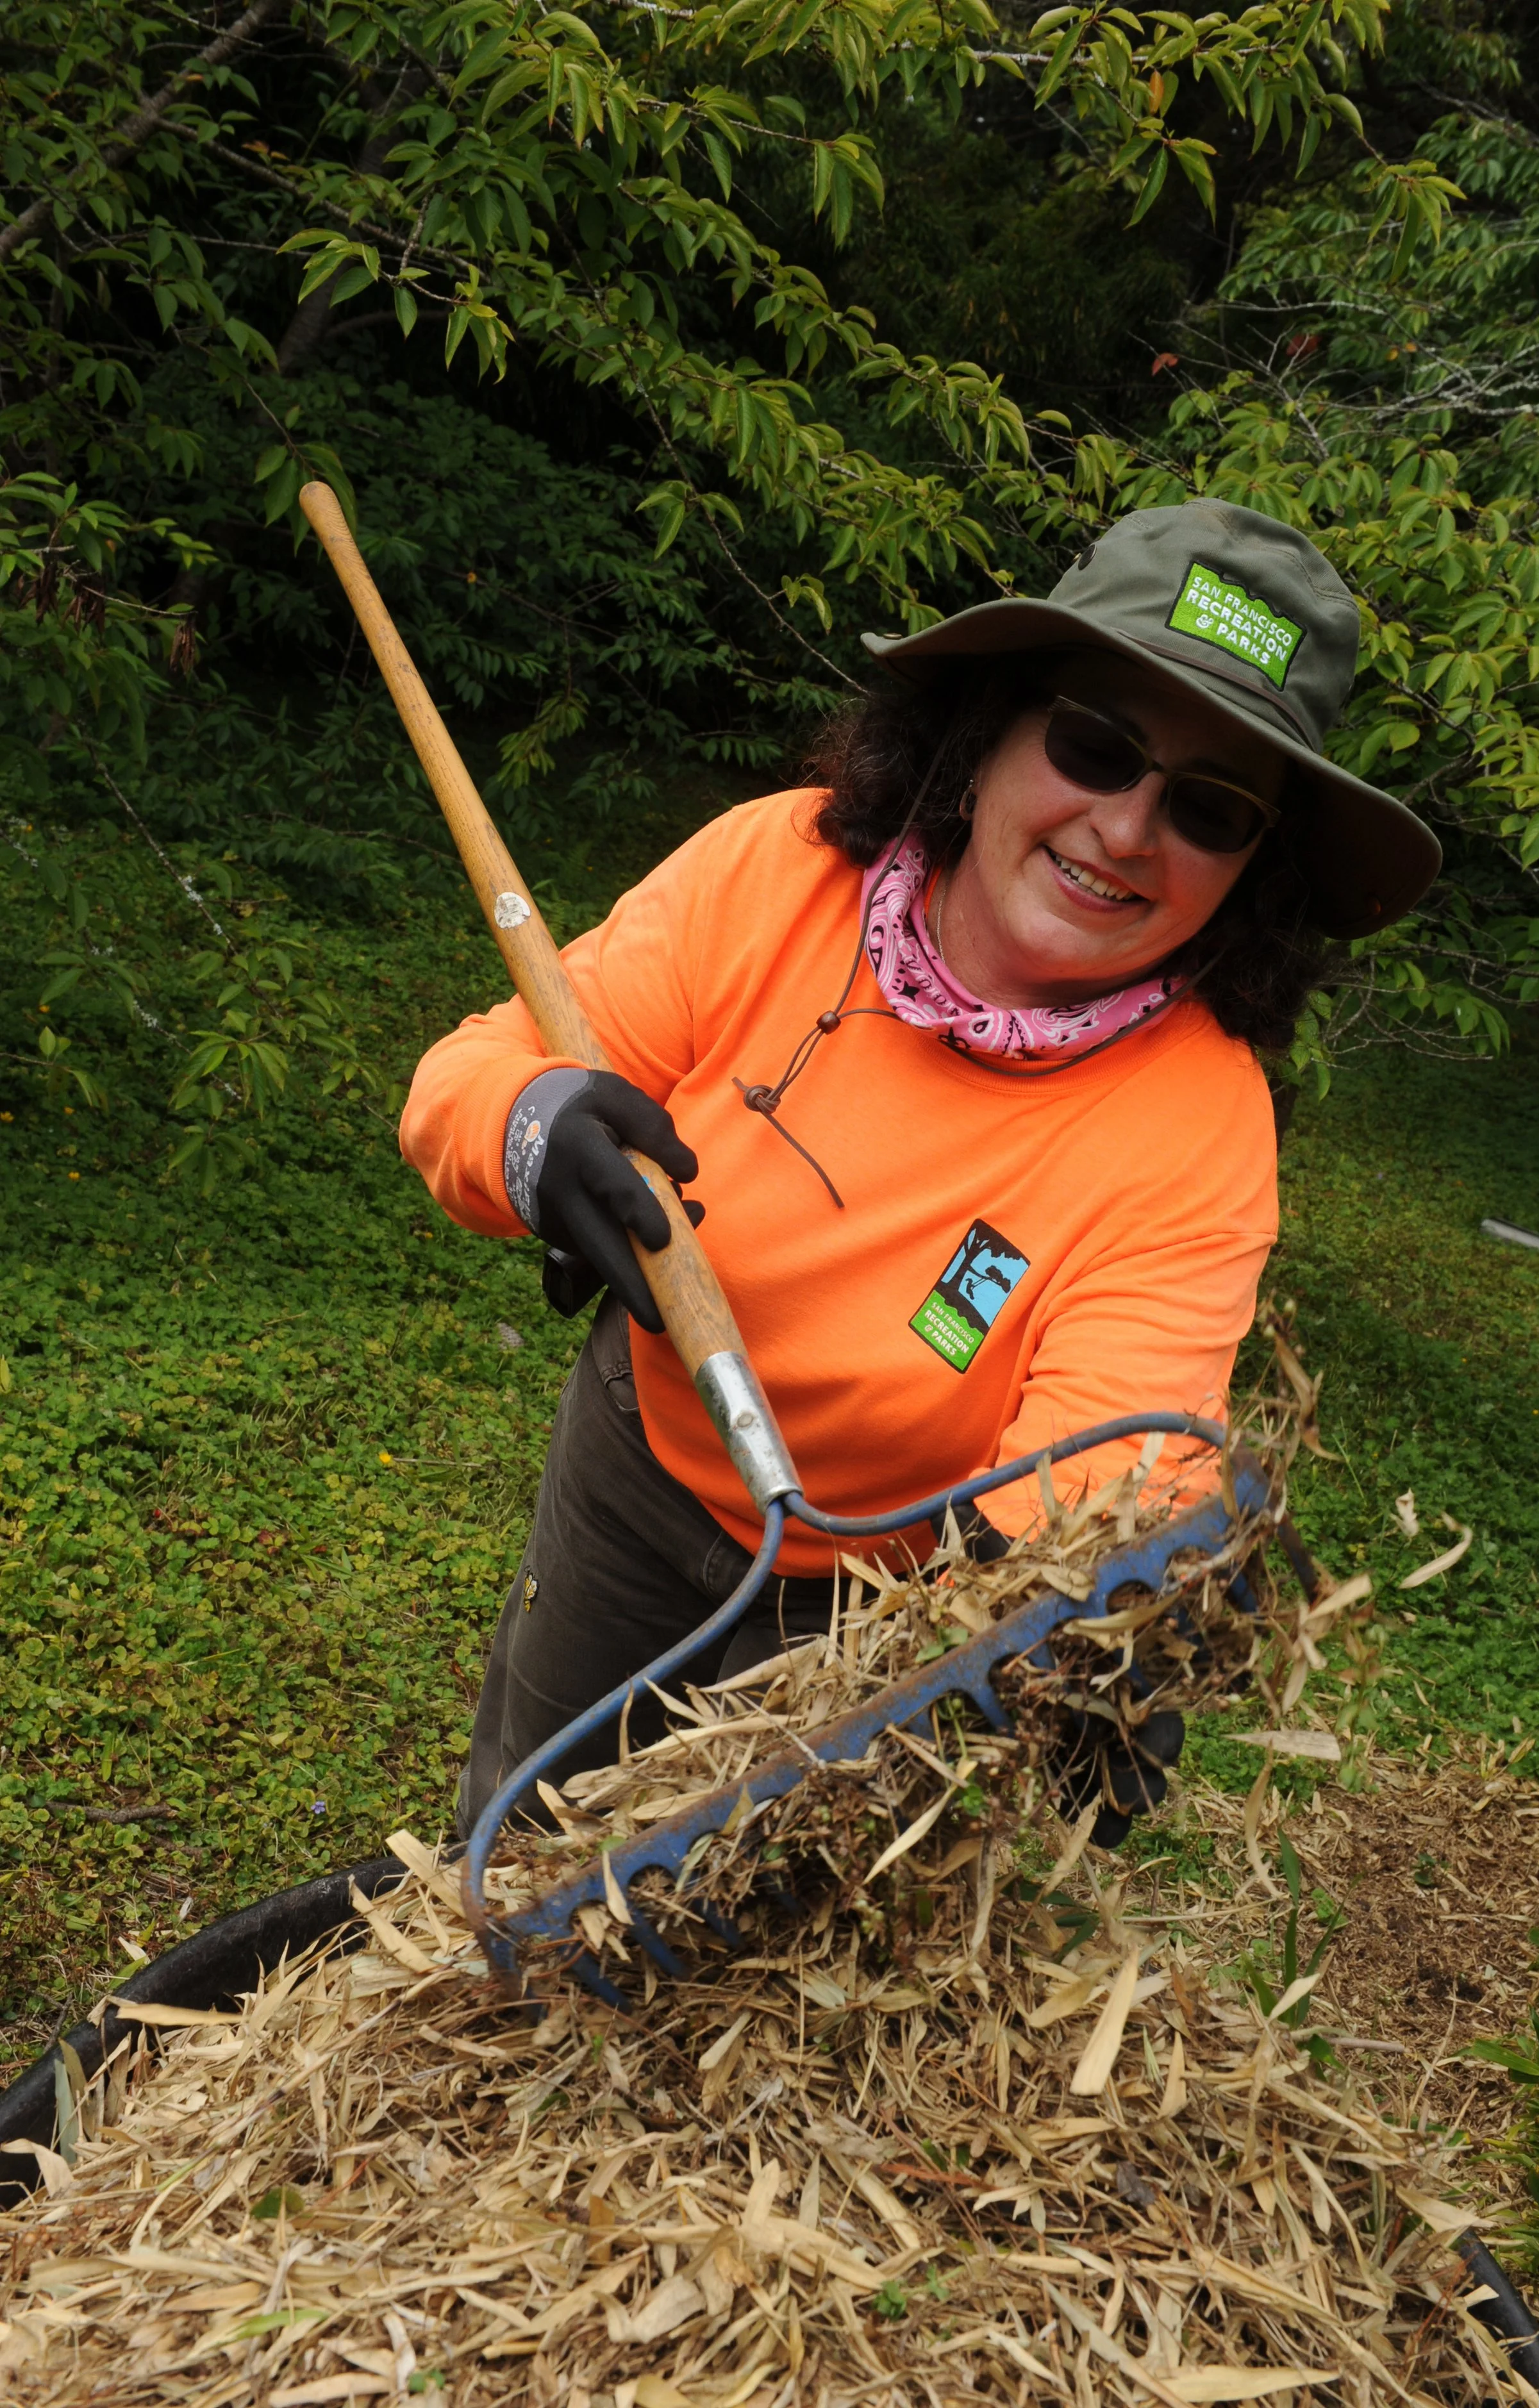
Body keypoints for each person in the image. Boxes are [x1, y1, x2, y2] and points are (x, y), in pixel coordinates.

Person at [400, 501, 1440, 1841]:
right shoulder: (777, 871)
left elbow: (1115, 1444)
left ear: (1258, 868)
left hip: (876, 1595)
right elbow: (472, 1073)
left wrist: (1081, 1613)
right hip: (637, 1460)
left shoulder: (1197, 1120)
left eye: (1207, 807)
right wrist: (529, 1133)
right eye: (1095, 744)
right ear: (991, 727)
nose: (1125, 830)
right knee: (523, 1826)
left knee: (716, 1929)